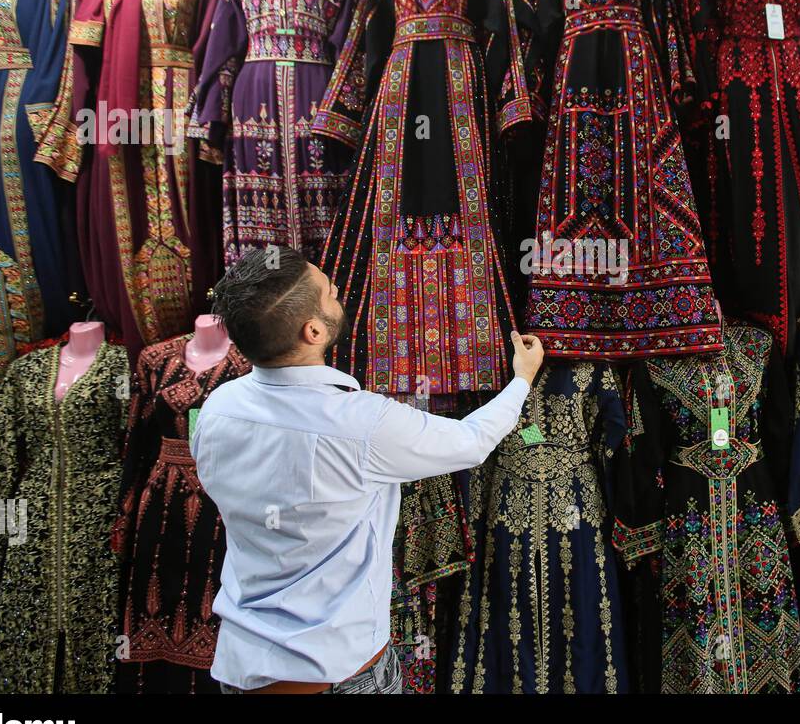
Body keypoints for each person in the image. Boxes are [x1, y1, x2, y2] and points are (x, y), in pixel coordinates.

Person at [191, 246, 543, 694]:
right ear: (313, 330)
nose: (339, 291)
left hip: (243, 668)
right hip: (338, 673)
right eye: (329, 292)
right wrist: (521, 381)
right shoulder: (361, 424)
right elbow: (470, 442)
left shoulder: (217, 409)